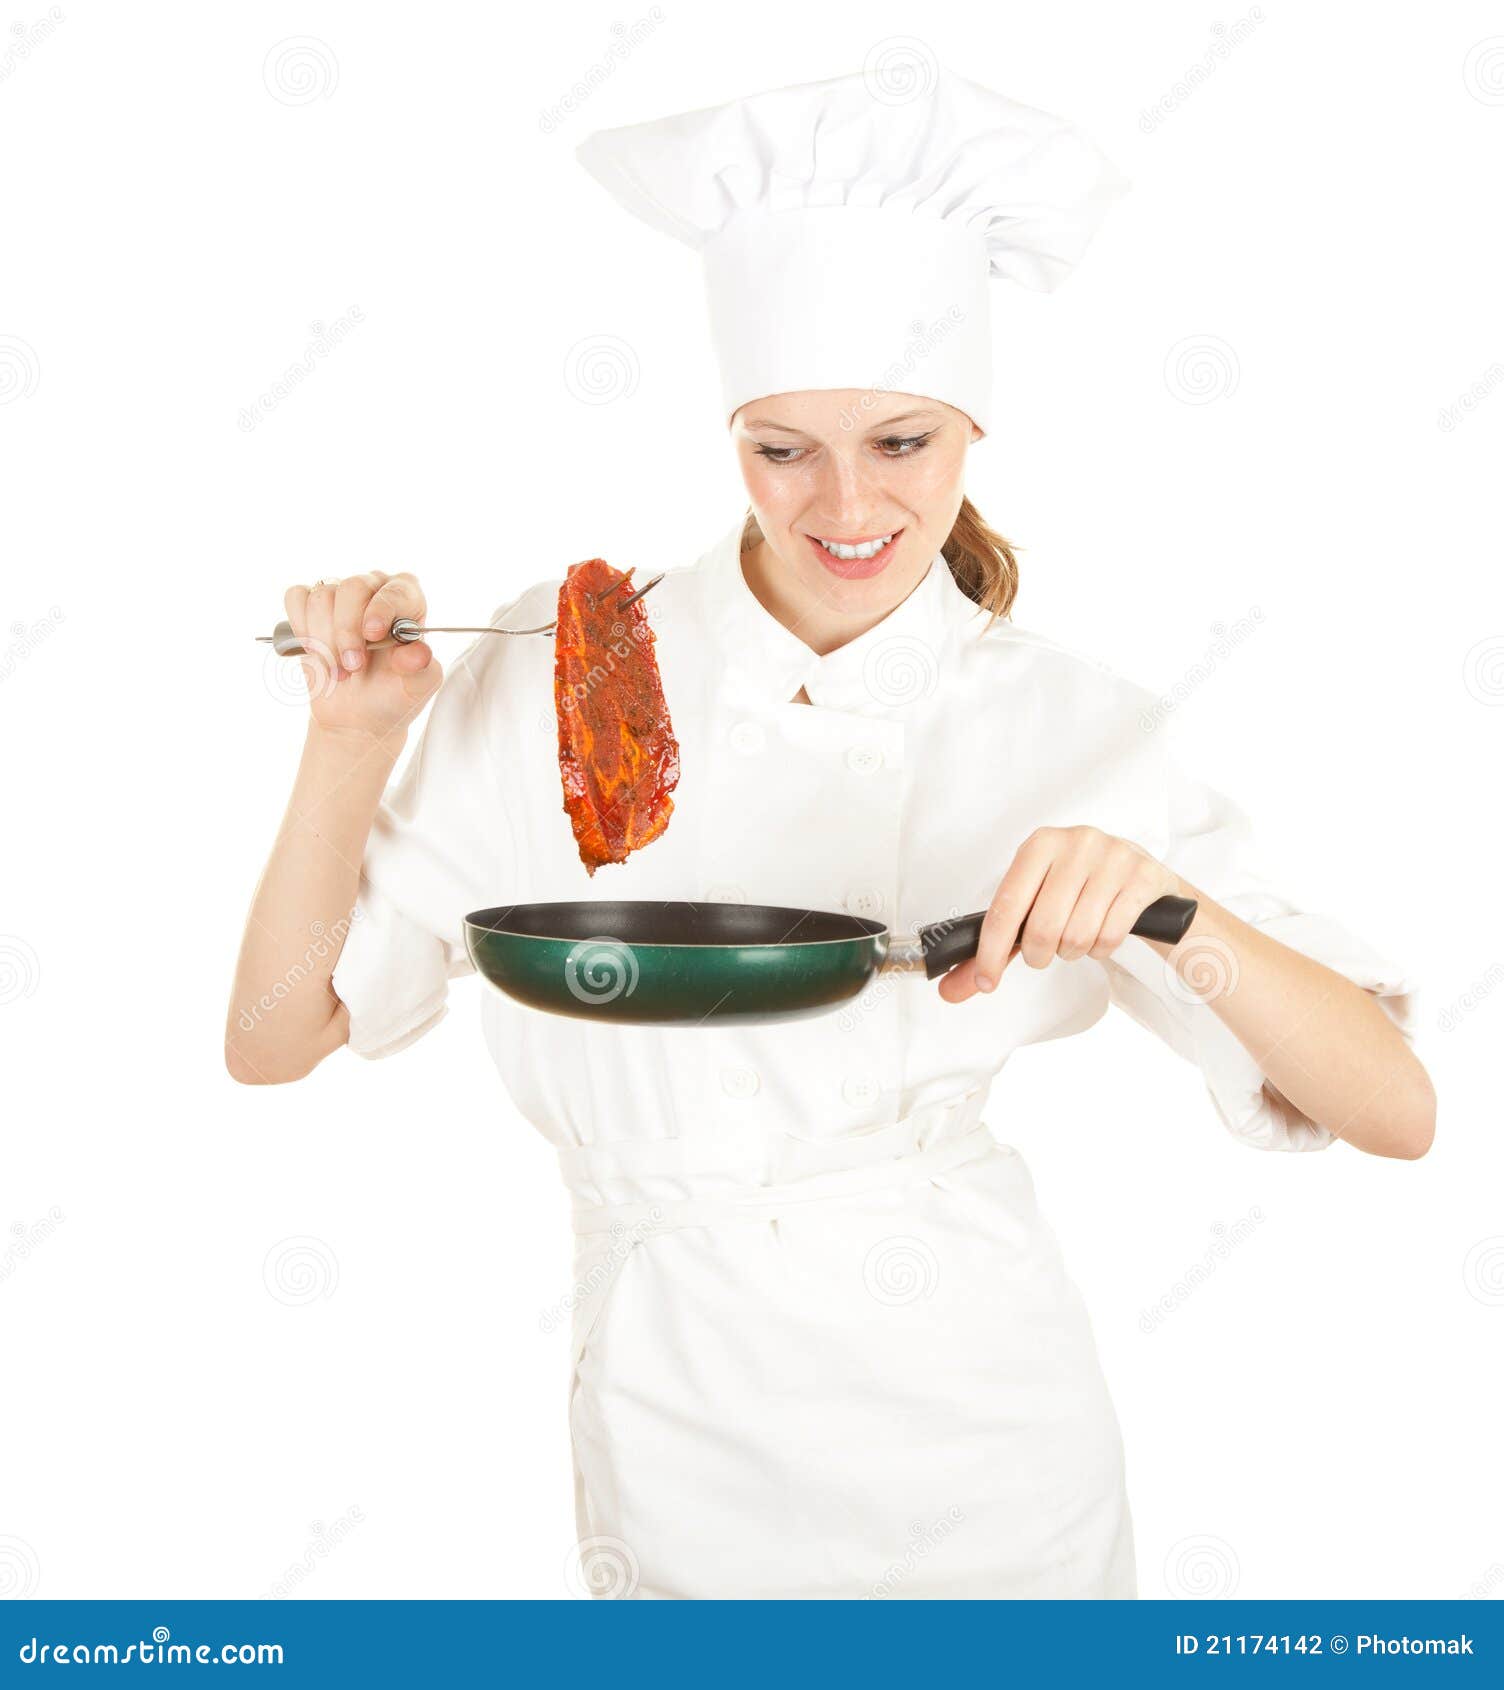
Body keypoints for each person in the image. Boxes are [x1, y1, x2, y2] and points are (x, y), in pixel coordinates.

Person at [226, 68, 1434, 1599]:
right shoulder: (560, 668)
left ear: (976, 430)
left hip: (992, 1437)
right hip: (678, 1418)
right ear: (732, 431)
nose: (844, 502)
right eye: (782, 446)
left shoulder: (1070, 722)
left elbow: (1397, 1110)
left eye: (905, 444)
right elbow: (274, 1039)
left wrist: (1169, 912)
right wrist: (350, 743)